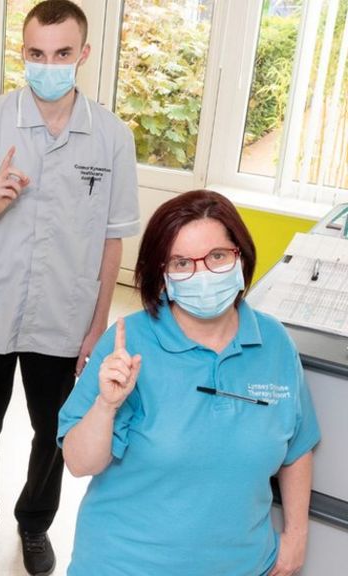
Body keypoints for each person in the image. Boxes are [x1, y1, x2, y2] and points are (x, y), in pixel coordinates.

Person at [0, 1, 140, 573]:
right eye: (36, 53)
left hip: (64, 318)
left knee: (53, 432)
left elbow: (112, 242)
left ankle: (34, 524)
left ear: (84, 54)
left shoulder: (112, 139)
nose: (48, 65)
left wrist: (97, 327)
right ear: (22, 52)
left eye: (62, 53)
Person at [58, 190, 319, 576]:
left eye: (217, 256)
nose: (203, 275)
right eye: (182, 263)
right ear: (162, 274)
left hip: (244, 565)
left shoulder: (274, 342)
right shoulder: (130, 344)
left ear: (240, 257)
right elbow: (79, 463)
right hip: (127, 565)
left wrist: (296, 536)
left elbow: (297, 447)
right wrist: (106, 406)